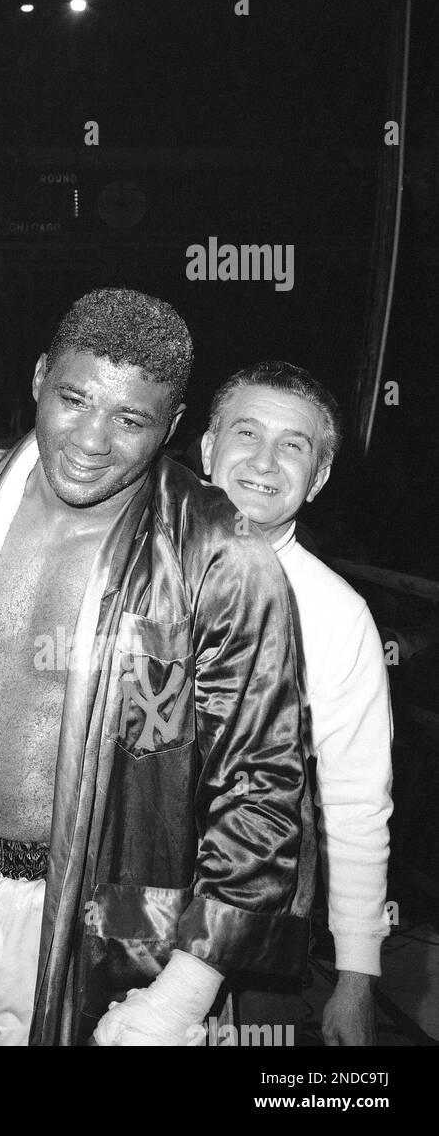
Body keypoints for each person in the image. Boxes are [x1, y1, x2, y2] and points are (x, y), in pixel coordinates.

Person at [0, 288, 312, 1046]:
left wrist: (184, 993)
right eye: (73, 399)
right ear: (39, 378)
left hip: (105, 928)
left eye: (131, 420)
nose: (91, 440)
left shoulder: (220, 553)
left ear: (171, 427)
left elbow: (261, 785)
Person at [201, 360, 393, 1045]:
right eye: (246, 432)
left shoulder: (341, 618)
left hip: (263, 925)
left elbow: (356, 801)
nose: (264, 460)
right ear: (205, 448)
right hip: (116, 906)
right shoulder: (125, 568)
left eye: (294, 445)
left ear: (319, 478)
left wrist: (355, 979)